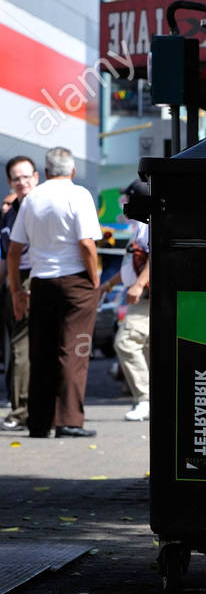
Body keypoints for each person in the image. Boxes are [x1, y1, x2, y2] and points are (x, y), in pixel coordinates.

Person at [6, 147, 101, 438]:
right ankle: (69, 420)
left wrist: (16, 292)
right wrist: (94, 279)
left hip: (41, 281)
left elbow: (13, 251)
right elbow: (86, 244)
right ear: (72, 171)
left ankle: (39, 422)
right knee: (75, 350)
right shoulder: (79, 195)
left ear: (45, 172)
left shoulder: (32, 198)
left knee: (41, 352)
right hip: (75, 281)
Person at [98, 180, 151, 421]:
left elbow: (156, 257)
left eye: (126, 199)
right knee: (147, 348)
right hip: (142, 296)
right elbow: (133, 264)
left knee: (126, 342)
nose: (122, 204)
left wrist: (139, 284)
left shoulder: (150, 225)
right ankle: (153, 399)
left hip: (146, 296)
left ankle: (145, 398)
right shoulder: (140, 226)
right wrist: (109, 285)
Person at [1, 156, 39, 431]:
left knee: (24, 345)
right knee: (19, 346)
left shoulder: (41, 206)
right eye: (17, 178)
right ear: (9, 182)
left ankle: (24, 409)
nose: (22, 182)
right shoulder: (10, 213)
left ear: (37, 177)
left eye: (27, 177)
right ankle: (21, 408)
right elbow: (6, 257)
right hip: (17, 281)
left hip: (38, 277)